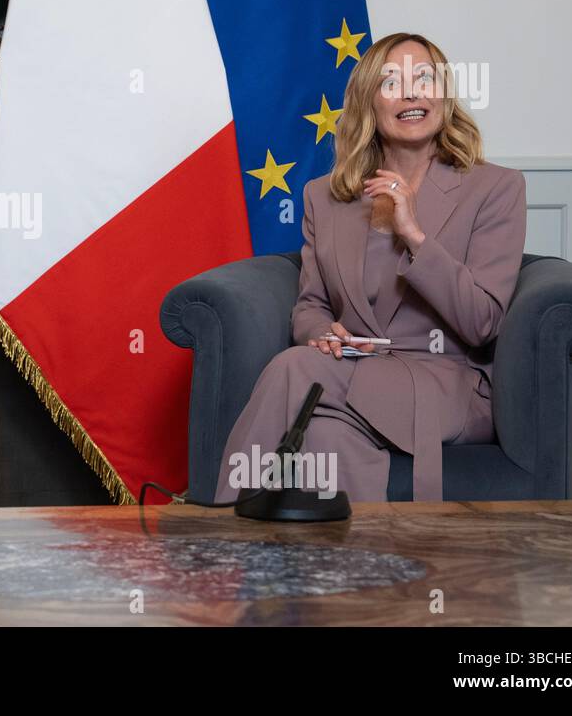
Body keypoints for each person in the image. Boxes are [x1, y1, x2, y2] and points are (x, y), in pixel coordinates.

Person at [214, 32, 526, 503]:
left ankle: (221, 540)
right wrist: (322, 334)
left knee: (296, 369)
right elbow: (312, 304)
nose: (412, 92)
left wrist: (413, 234)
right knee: (322, 439)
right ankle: (368, 574)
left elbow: (482, 322)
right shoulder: (325, 195)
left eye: (425, 78)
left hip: (443, 386)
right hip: (352, 374)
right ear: (368, 105)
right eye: (392, 82)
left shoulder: (496, 188)